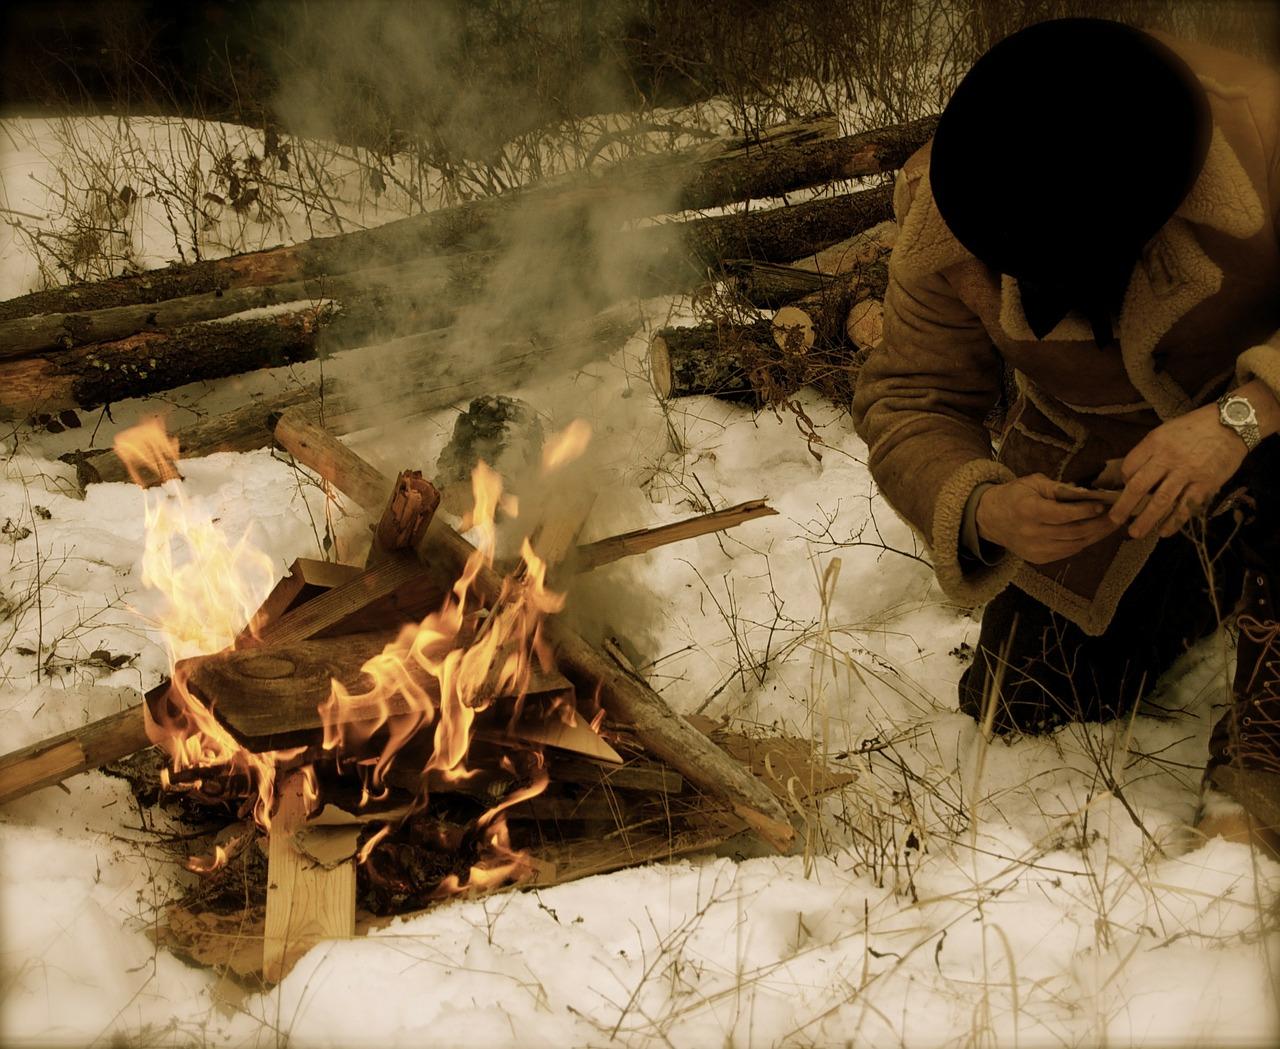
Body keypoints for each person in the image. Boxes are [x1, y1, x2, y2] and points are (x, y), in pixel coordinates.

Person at [850, 18, 1280, 840]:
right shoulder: (949, 209)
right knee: (1024, 705)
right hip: (1108, 483)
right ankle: (1211, 584)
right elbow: (912, 396)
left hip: (1266, 430)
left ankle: (1262, 759)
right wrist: (982, 507)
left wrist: (1239, 418)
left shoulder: (1262, 128)